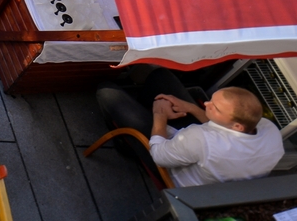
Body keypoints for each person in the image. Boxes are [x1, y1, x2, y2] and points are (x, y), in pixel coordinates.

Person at [95, 74, 283, 188]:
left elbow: (159, 156)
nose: (206, 104)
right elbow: (223, 132)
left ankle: (127, 145)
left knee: (107, 92)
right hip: (197, 153)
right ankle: (143, 108)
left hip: (171, 172)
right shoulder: (269, 129)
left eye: (215, 108)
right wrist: (191, 108)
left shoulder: (201, 139)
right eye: (211, 100)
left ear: (237, 126)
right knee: (161, 77)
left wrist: (159, 114)